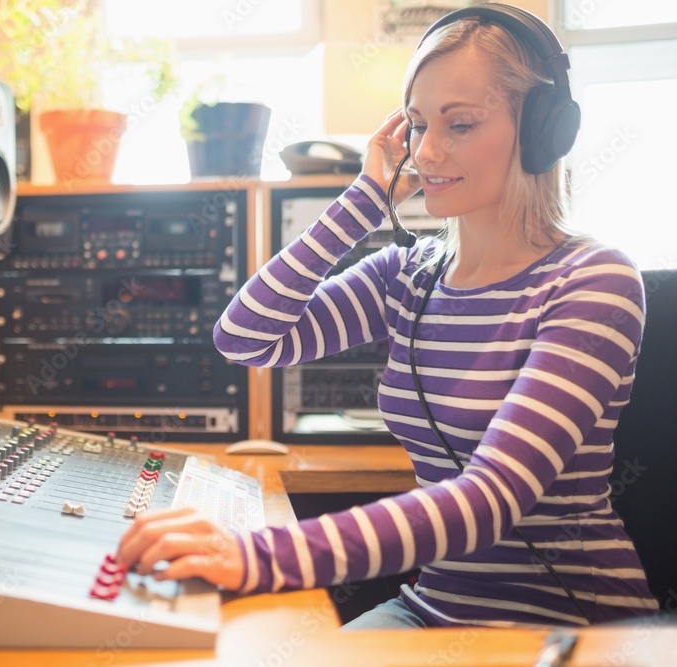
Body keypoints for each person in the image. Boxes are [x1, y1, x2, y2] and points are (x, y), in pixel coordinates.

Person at [116, 4, 660, 629]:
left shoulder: (594, 281)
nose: (426, 152)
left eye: (459, 124)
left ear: (543, 130)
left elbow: (489, 502)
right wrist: (361, 201)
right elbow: (245, 337)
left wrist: (254, 555)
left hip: (572, 627)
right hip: (433, 610)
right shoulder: (408, 277)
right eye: (417, 124)